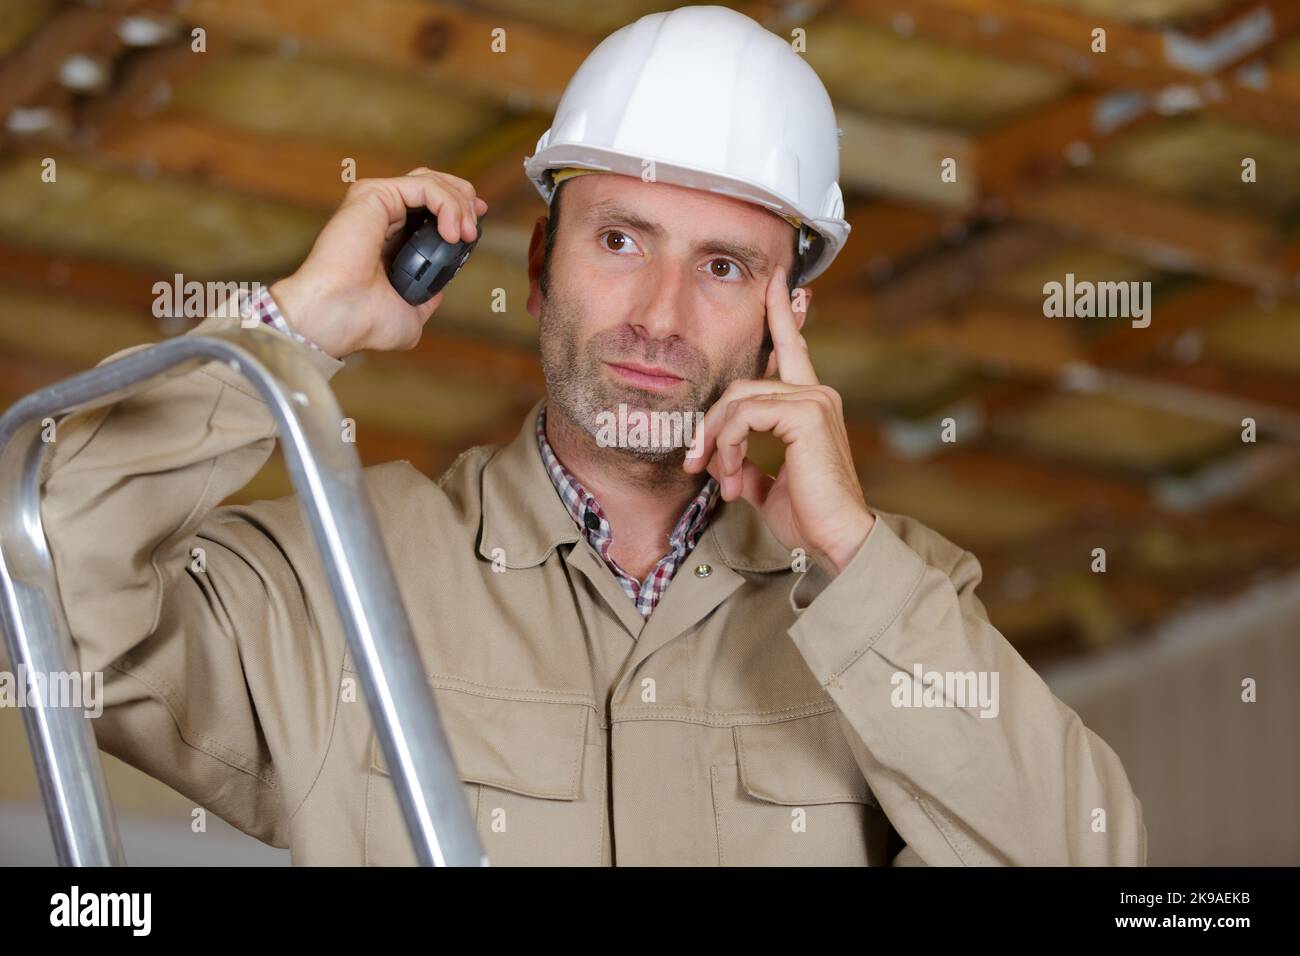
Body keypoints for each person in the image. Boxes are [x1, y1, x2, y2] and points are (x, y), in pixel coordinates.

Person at [40, 5, 1145, 865]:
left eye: (723, 267)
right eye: (620, 239)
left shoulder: (886, 603)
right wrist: (288, 333)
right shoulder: (342, 573)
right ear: (538, 269)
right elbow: (47, 572)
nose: (660, 315)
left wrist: (853, 559)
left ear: (786, 317)